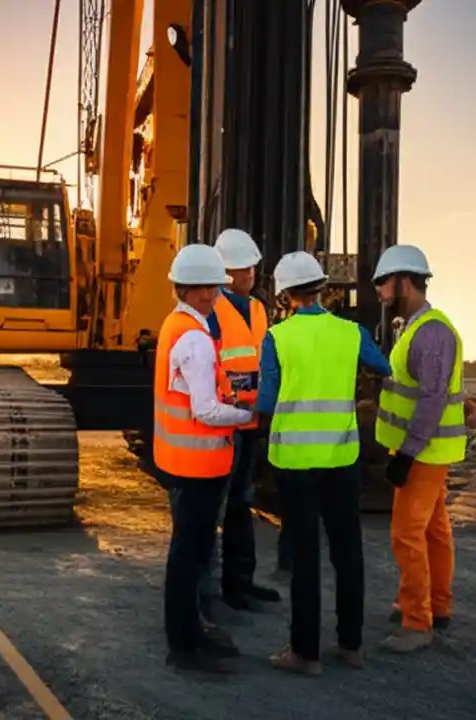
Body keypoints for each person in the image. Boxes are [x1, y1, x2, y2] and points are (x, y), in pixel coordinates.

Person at [257, 251, 393, 676]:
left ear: (285, 295)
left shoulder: (277, 338)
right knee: (347, 550)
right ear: (321, 289)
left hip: (295, 460)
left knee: (305, 555)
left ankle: (305, 653)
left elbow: (265, 402)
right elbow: (383, 366)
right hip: (341, 456)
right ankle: (351, 646)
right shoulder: (351, 333)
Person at [156, 243, 256, 675]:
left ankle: (190, 635)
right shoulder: (196, 338)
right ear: (202, 292)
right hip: (199, 466)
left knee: (188, 555)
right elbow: (205, 410)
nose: (218, 294)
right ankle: (184, 646)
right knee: (189, 558)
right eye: (215, 287)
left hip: (182, 462)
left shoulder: (174, 325)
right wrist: (248, 414)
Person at [372, 244, 467, 654]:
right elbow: (413, 391)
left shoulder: (431, 333)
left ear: (403, 282)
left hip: (424, 453)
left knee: (406, 534)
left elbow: (431, 398)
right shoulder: (414, 327)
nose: (377, 291)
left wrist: (407, 454)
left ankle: (417, 622)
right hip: (426, 449)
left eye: (382, 283)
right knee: (433, 530)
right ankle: (437, 607)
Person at [192, 228, 283, 614]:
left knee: (241, 504)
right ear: (232, 272)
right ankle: (209, 591)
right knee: (217, 507)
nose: (253, 273)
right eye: (248, 267)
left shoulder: (259, 309)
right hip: (223, 423)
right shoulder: (212, 311)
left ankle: (239, 583)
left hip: (249, 422)